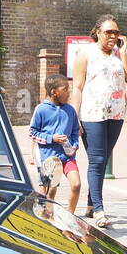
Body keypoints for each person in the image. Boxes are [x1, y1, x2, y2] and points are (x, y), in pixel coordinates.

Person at [71, 14, 127, 228]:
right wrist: (74, 116)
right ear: (98, 32)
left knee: (103, 159)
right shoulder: (85, 54)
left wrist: (124, 53)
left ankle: (90, 204)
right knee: (97, 160)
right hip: (92, 114)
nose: (113, 36)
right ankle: (99, 210)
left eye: (116, 32)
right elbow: (77, 87)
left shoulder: (118, 53)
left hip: (116, 114)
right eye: (108, 32)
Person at [29, 73, 81, 214]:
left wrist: (75, 145)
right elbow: (33, 133)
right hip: (48, 158)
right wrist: (52, 138)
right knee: (49, 192)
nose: (69, 93)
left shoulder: (70, 110)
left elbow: (76, 131)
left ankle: (69, 218)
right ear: (54, 92)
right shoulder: (41, 110)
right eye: (65, 89)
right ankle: (45, 218)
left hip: (67, 157)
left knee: (76, 184)